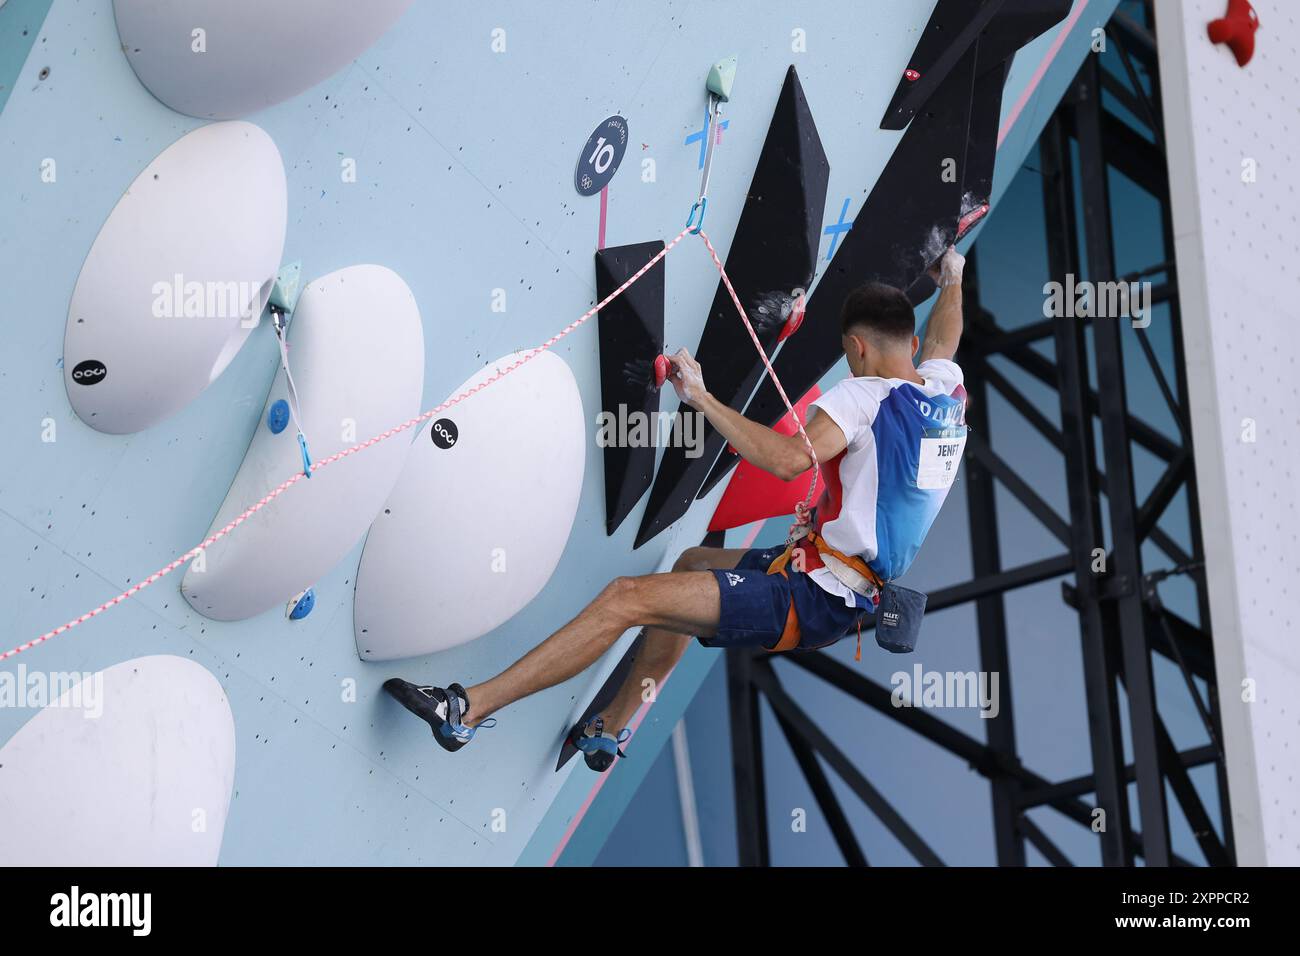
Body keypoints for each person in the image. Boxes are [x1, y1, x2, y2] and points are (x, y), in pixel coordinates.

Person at [384, 247, 970, 769]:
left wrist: (701, 397)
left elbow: (792, 460)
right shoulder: (943, 392)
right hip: (833, 583)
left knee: (625, 599)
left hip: (810, 594)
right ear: (910, 345)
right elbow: (947, 337)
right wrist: (953, 279)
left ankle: (464, 709)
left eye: (849, 357)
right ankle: (607, 730)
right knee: (692, 561)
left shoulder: (863, 397)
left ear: (855, 348)